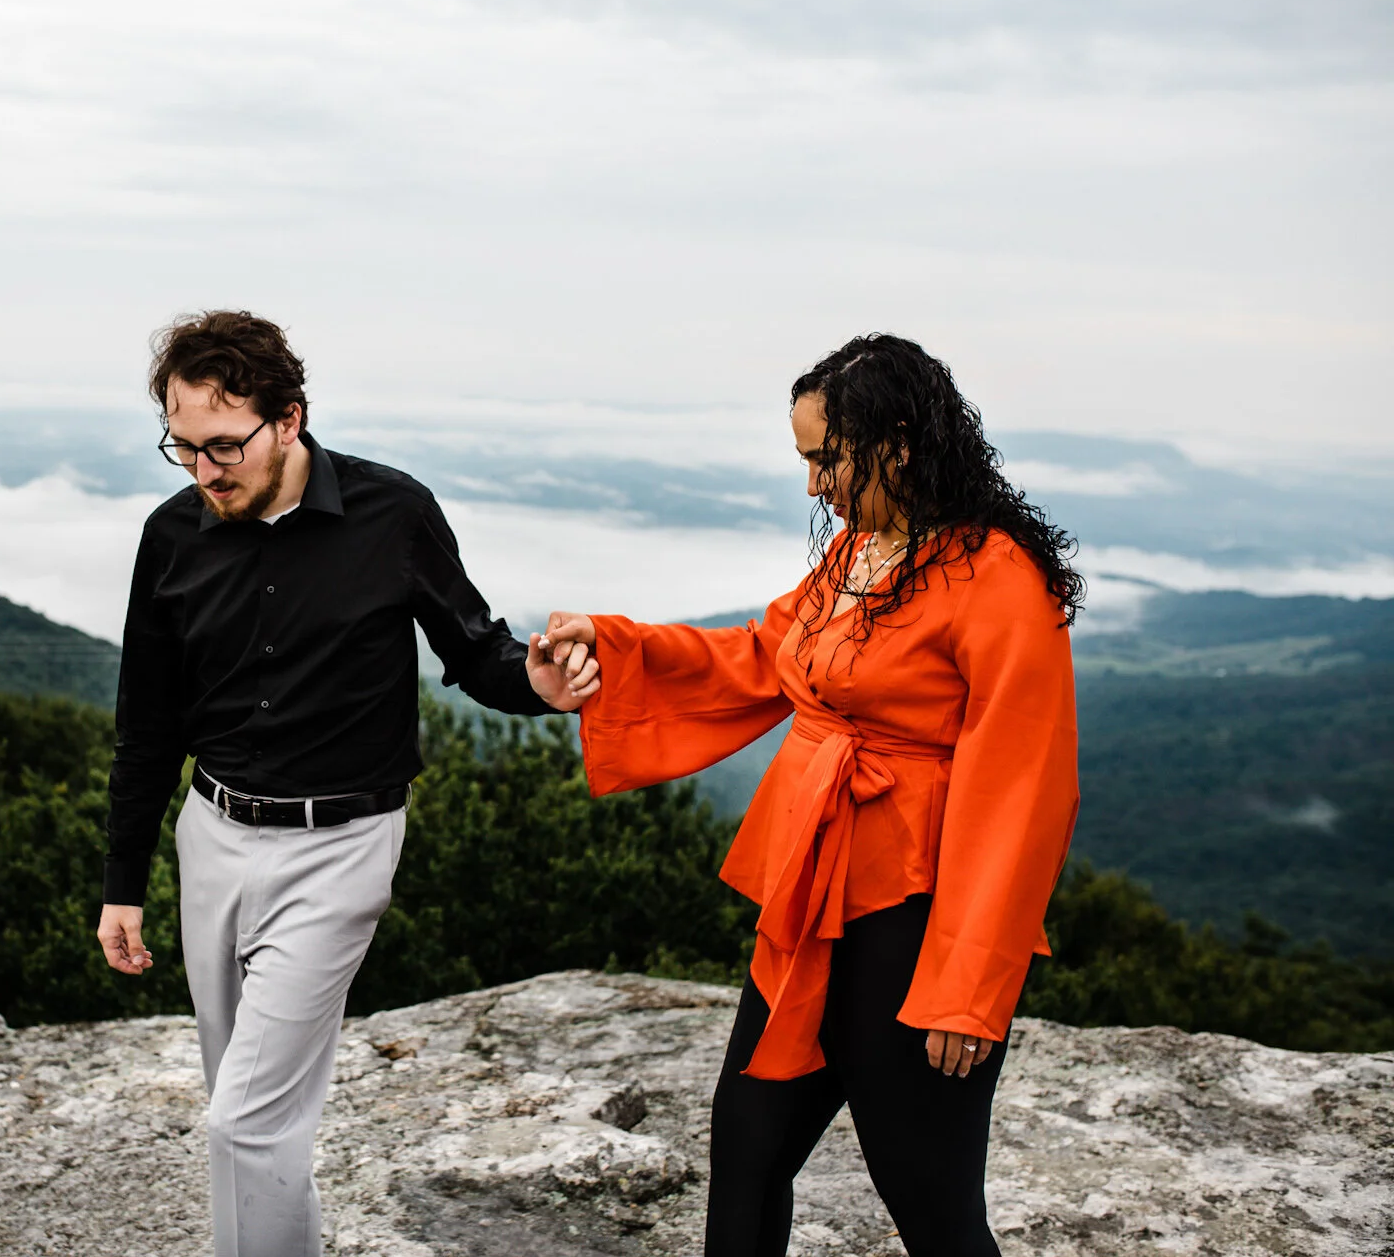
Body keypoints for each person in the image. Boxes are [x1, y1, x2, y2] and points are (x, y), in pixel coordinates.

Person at [541, 333, 1083, 1256]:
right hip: (811, 898)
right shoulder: (859, 555)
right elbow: (765, 656)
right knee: (748, 1148)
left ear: (899, 443)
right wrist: (615, 639)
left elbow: (1024, 791)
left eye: (826, 457)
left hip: (911, 917)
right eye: (806, 459)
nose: (813, 484)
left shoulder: (996, 579)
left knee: (931, 1200)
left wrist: (968, 991)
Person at [97, 310, 597, 1257]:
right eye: (183, 449)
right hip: (212, 836)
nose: (205, 472)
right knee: (245, 1115)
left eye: (223, 446)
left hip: (343, 846)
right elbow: (148, 723)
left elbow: (475, 649)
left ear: (290, 420)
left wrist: (536, 685)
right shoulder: (171, 536)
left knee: (244, 1121)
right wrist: (124, 881)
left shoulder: (392, 513)